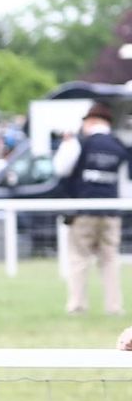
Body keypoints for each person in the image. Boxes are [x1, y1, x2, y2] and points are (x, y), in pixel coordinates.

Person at [53, 103, 129, 315]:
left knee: (79, 259)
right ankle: (114, 307)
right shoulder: (119, 146)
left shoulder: (79, 143)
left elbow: (60, 168)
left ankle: (77, 305)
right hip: (111, 211)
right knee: (110, 260)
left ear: (91, 121)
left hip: (83, 211)